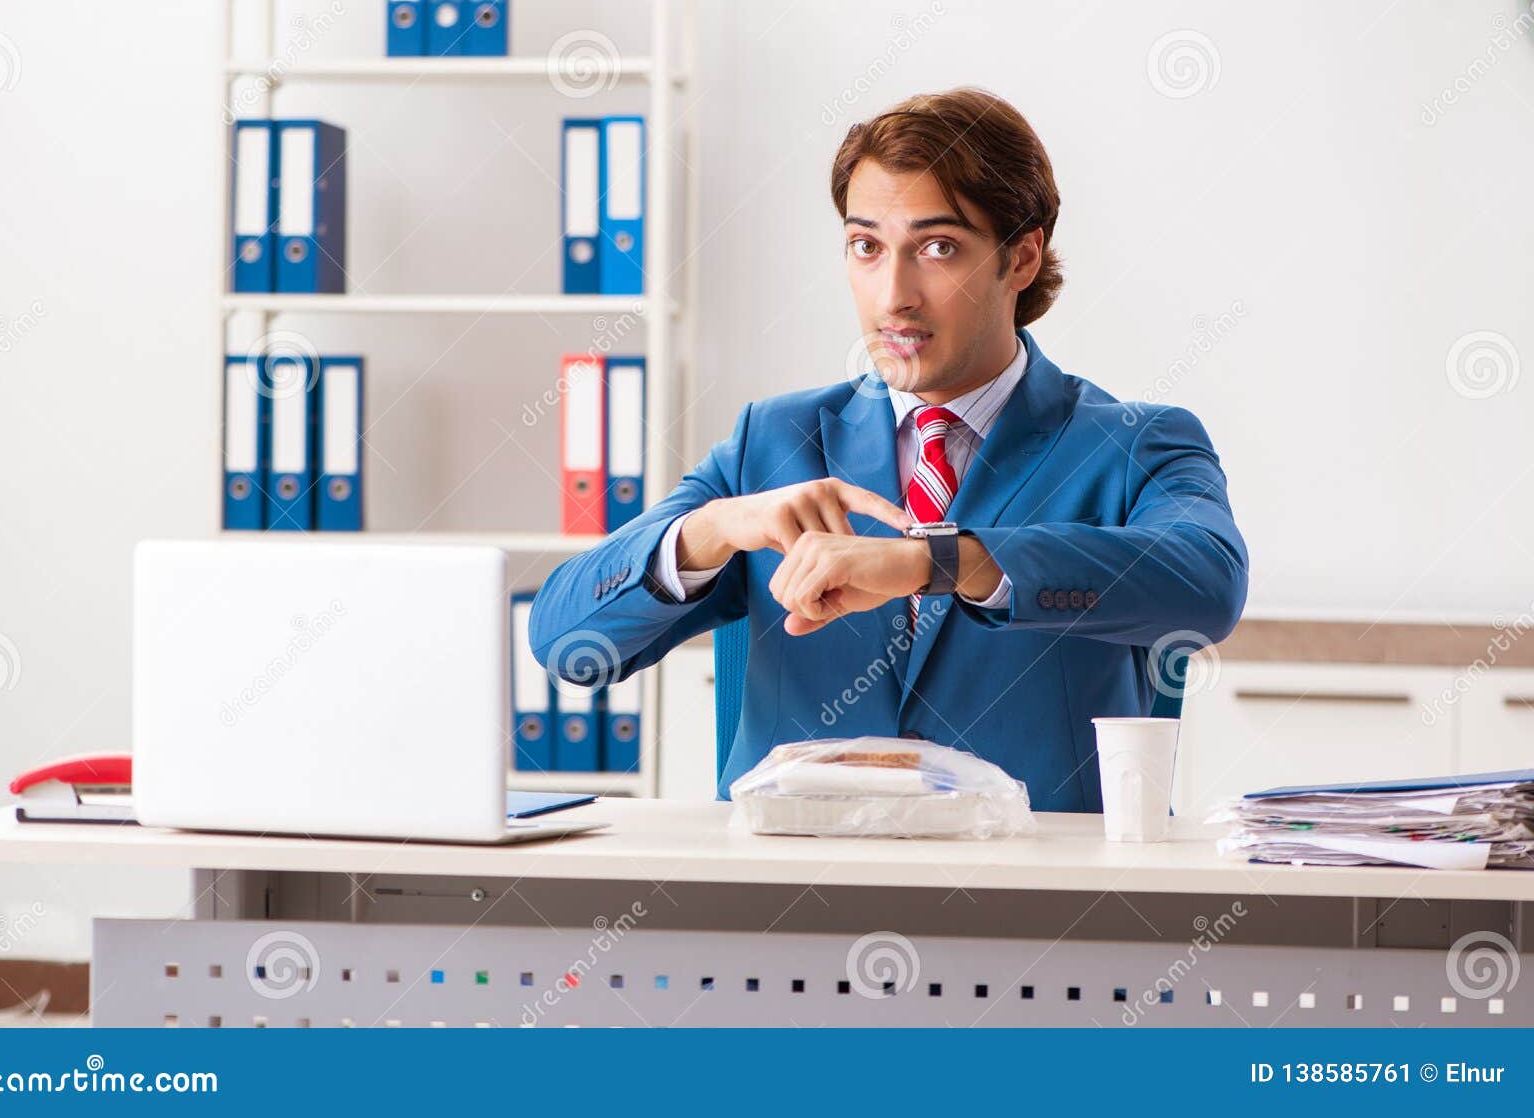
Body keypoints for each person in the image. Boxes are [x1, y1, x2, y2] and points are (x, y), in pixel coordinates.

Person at [529, 87, 1249, 809]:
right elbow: (563, 643)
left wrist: (937, 560)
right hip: (788, 897)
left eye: (938, 248)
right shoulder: (774, 443)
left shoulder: (1133, 443)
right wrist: (712, 529)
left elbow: (1207, 585)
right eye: (866, 247)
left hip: (1037, 900)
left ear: (1022, 257)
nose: (893, 295)